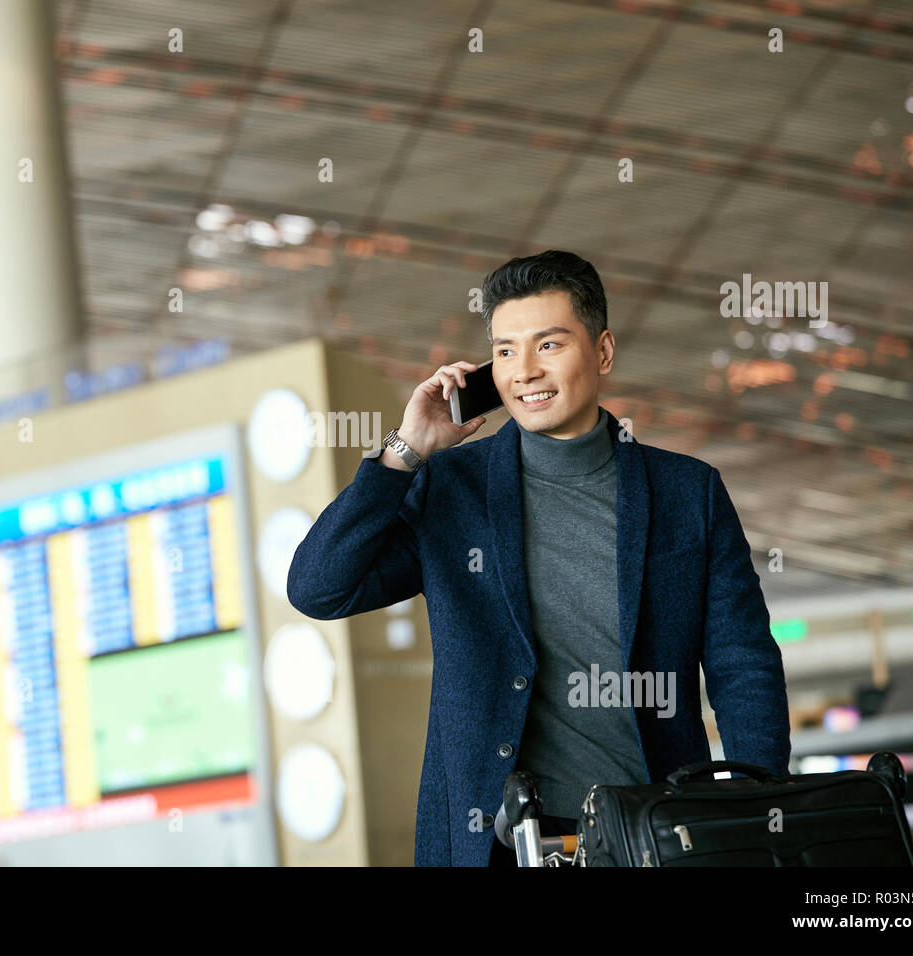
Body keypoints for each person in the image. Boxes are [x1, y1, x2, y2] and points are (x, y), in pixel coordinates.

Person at [286, 250, 791, 867]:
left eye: (549, 345)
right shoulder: (451, 491)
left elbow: (744, 665)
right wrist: (404, 452)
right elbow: (319, 587)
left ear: (602, 352)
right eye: (504, 351)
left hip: (652, 831)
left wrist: (754, 813)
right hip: (495, 842)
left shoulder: (688, 492)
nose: (524, 371)